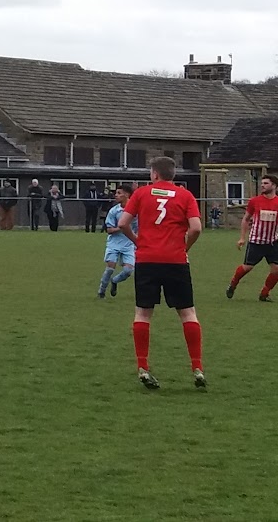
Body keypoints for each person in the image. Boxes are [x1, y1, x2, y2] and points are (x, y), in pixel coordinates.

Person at [116, 156, 206, 391]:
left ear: (154, 174)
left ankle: (143, 368)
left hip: (147, 260)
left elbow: (124, 223)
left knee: (143, 314)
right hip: (176, 260)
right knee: (187, 314)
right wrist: (184, 247)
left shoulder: (141, 193)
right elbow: (196, 227)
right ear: (173, 174)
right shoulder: (186, 196)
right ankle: (197, 368)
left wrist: (138, 243)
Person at [228, 174, 278, 301]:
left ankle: (264, 293)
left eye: (266, 183)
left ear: (274, 185)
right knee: (247, 267)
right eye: (262, 183)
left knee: (277, 270)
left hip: (272, 242)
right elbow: (246, 219)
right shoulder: (255, 201)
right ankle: (233, 283)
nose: (262, 185)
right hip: (256, 241)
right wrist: (242, 238)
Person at [97, 185, 136, 298]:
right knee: (110, 268)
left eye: (119, 193)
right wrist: (122, 227)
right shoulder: (114, 211)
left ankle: (114, 281)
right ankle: (101, 291)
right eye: (116, 193)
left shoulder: (136, 211)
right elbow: (109, 230)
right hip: (114, 243)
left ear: (127, 195)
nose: (116, 195)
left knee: (128, 271)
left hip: (129, 243)